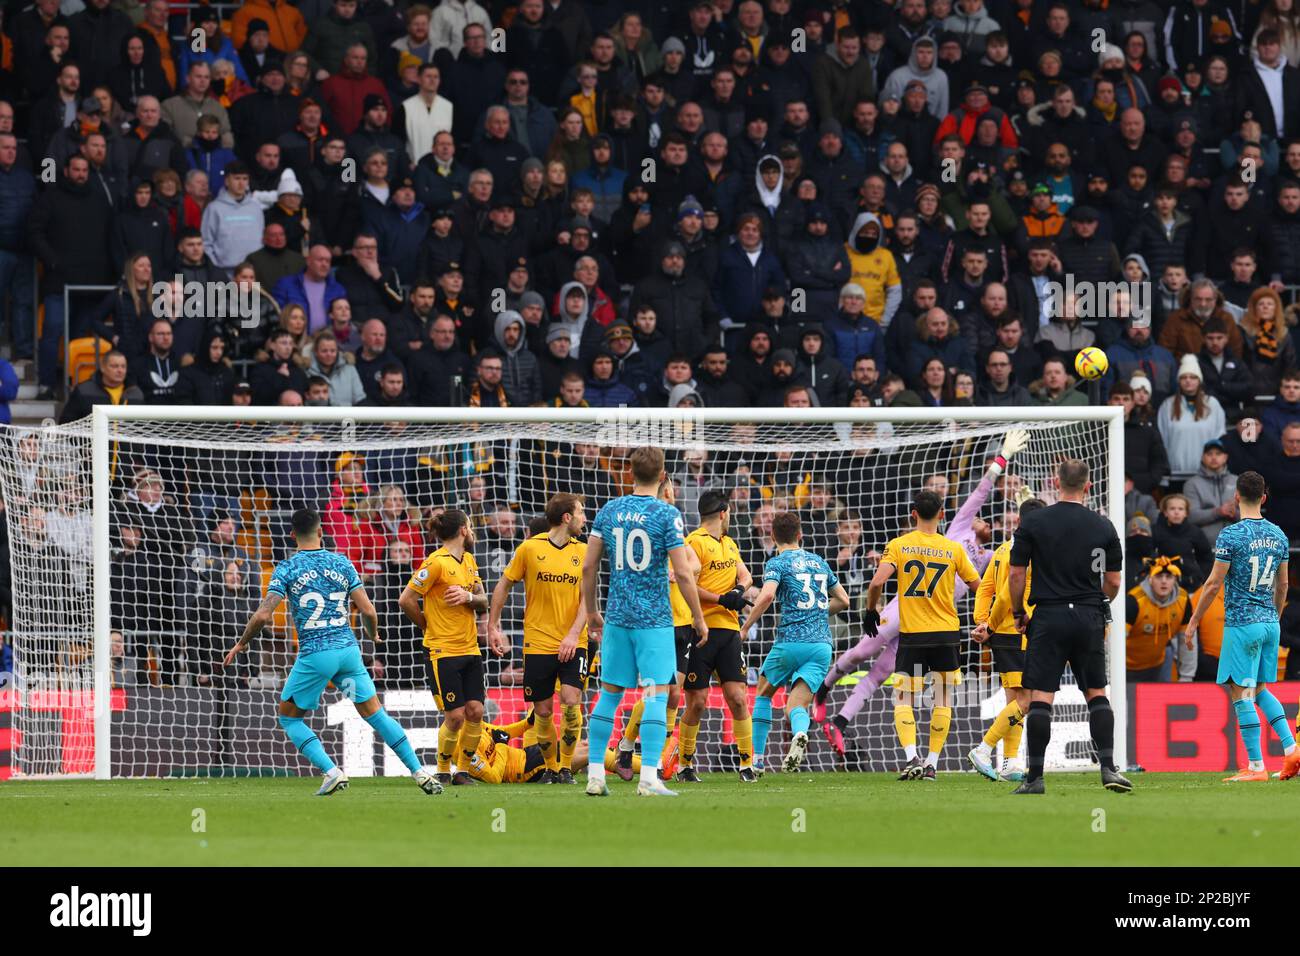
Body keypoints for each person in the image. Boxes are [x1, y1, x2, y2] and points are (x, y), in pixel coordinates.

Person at [222, 507, 442, 797]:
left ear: (292, 536)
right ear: (321, 532)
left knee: (289, 718)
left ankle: (331, 771)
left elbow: (264, 616)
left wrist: (242, 642)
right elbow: (367, 609)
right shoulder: (342, 562)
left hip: (315, 654)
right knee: (376, 715)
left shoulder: (287, 568)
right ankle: (419, 771)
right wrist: (371, 632)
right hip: (348, 651)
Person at [581, 445, 707, 797]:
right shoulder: (667, 514)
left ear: (630, 474)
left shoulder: (609, 510)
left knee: (608, 694)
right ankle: (649, 778)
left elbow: (588, 566)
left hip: (618, 618)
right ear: (663, 475)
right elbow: (683, 572)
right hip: (654, 621)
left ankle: (595, 774)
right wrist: (698, 617)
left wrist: (592, 611)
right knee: (655, 694)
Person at [1007, 458, 1130, 794]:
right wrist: (1096, 598)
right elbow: (1115, 581)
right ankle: (1108, 769)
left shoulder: (1034, 522)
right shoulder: (1103, 526)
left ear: (1055, 481)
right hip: (1088, 616)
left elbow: (1016, 574)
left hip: (1049, 615)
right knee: (1096, 694)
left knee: (1041, 698)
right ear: (1088, 486)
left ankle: (1035, 778)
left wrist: (1018, 611)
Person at [1185, 471, 1300, 781]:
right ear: (1264, 497)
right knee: (1261, 689)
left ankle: (1256, 767)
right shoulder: (1278, 534)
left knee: (1241, 694)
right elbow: (1284, 583)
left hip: (1242, 624)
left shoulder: (1231, 535)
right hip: (1269, 623)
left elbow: (1212, 584)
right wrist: (1273, 616)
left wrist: (1194, 621)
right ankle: (1291, 751)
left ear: (1236, 496)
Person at [864, 489, 982, 782]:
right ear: (942, 515)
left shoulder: (899, 545)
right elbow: (978, 585)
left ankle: (911, 757)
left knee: (904, 697)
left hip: (914, 635)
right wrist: (984, 619)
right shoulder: (953, 549)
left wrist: (871, 610)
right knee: (942, 698)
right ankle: (931, 764)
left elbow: (877, 581)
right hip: (946, 634)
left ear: (913, 514)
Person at [487, 493, 588, 785]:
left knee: (571, 702)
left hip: (574, 643)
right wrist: (493, 626)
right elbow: (504, 585)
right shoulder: (529, 549)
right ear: (566, 518)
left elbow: (588, 599)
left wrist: (572, 634)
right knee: (542, 711)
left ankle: (567, 768)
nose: (584, 518)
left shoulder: (583, 551)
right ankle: (550, 768)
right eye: (580, 512)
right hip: (538, 643)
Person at [740, 510, 850, 775]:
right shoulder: (819, 562)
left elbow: (766, 597)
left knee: (764, 693)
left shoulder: (777, 563)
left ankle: (757, 761)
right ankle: (800, 733)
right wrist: (816, 613)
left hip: (791, 642)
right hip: (822, 646)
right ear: (800, 534)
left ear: (773, 535)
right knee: (795, 707)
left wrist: (745, 627)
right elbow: (844, 600)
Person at [400, 508, 506, 786]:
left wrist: (467, 595)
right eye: (471, 526)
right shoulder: (435, 563)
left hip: (470, 648)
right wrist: (427, 625)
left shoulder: (469, 560)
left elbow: (483, 600)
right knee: (455, 715)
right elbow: (406, 600)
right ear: (463, 530)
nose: (472, 531)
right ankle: (444, 770)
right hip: (442, 651)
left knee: (476, 712)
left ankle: (463, 769)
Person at [659, 490, 756, 783]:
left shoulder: (729, 543)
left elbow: (746, 576)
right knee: (697, 701)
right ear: (724, 513)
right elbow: (688, 585)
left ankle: (747, 764)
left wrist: (738, 592)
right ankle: (685, 764)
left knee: (737, 697)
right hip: (699, 631)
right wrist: (720, 599)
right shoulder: (693, 543)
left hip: (728, 632)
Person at [969, 493, 1045, 782]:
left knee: (1015, 700)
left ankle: (1011, 761)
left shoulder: (1003, 549)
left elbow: (985, 588)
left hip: (1005, 631)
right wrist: (987, 624)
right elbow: (1001, 594)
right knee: (1026, 701)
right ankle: (983, 749)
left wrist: (983, 621)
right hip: (1017, 631)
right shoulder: (1027, 553)